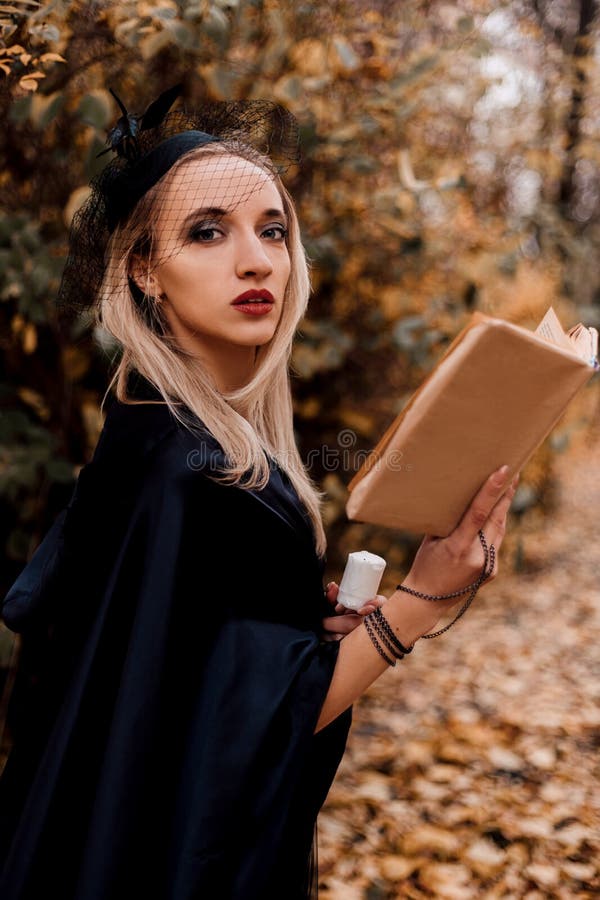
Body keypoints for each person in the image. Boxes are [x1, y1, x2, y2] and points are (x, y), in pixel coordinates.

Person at [0, 87, 519, 900]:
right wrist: (422, 600)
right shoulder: (189, 468)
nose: (256, 260)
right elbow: (236, 726)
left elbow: (179, 654)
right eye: (208, 232)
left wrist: (293, 617)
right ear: (144, 268)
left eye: (272, 231)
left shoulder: (147, 427)